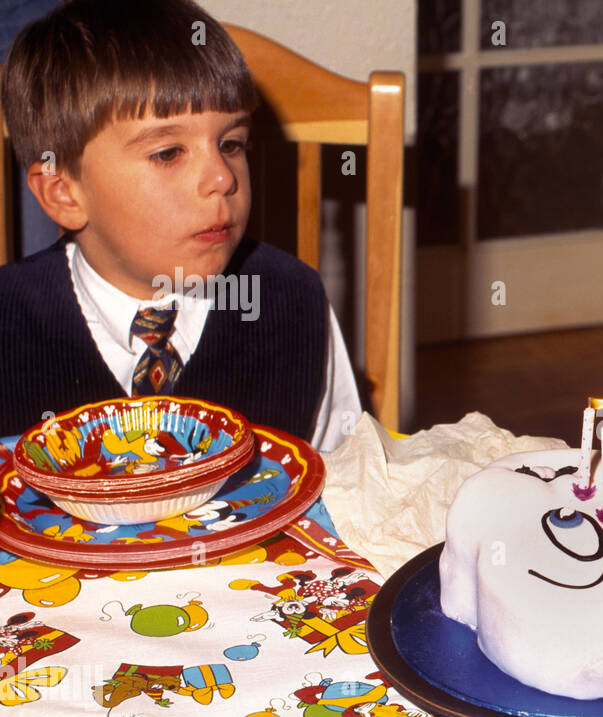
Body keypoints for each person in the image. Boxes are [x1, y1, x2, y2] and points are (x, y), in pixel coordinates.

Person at [0, 0, 362, 451]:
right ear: (63, 193)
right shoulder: (8, 321)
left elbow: (345, 480)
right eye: (168, 153)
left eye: (231, 144)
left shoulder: (293, 302)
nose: (223, 178)